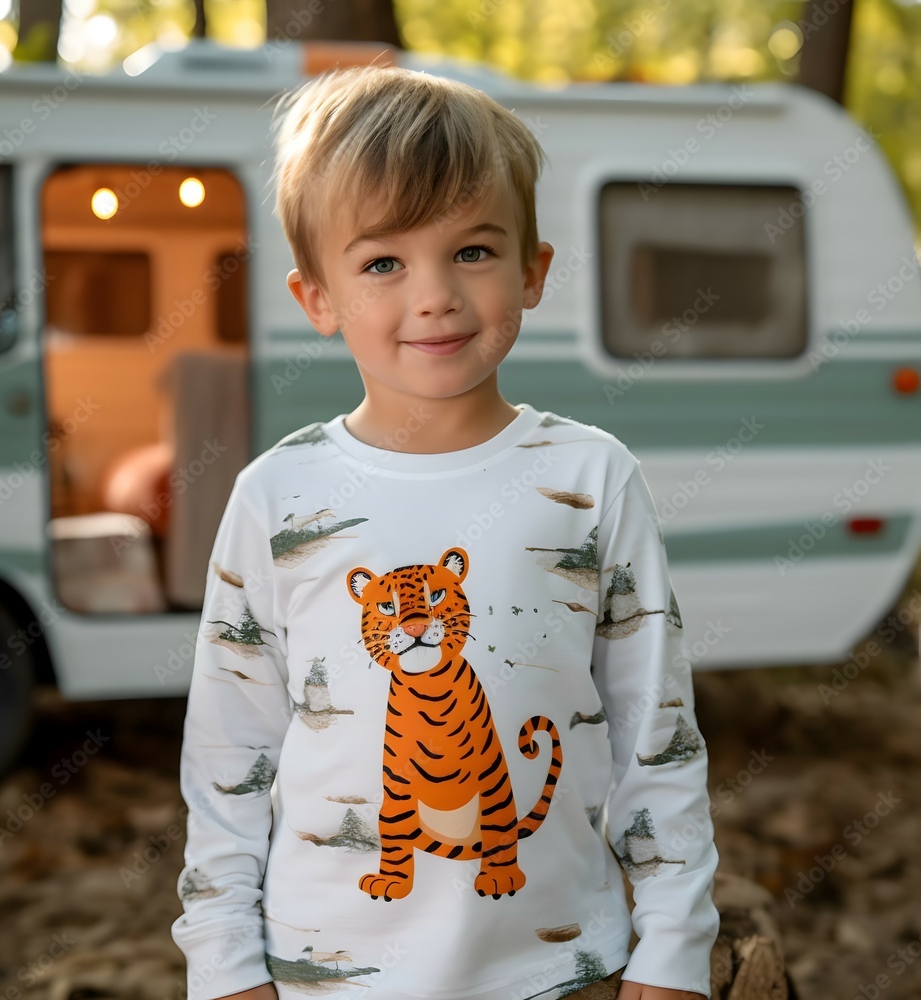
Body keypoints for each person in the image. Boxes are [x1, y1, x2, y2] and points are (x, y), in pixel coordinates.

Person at [170, 65, 719, 1000]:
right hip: (322, 977)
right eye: (383, 262)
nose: (434, 296)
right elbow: (227, 758)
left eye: (472, 251)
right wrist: (223, 967)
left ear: (532, 270)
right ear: (318, 299)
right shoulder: (276, 497)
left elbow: (654, 737)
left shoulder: (592, 480)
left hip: (561, 968)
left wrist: (672, 956)